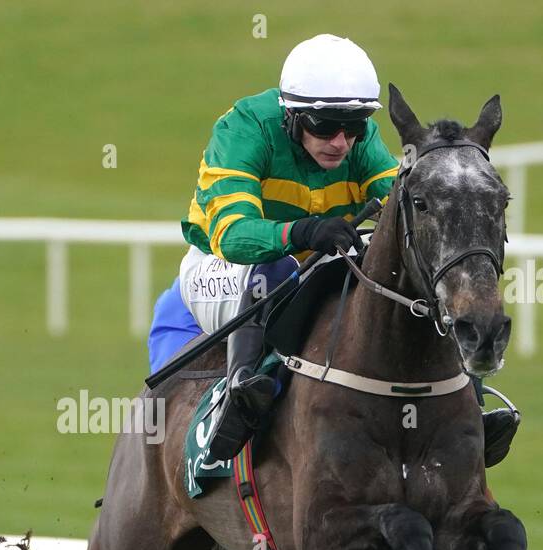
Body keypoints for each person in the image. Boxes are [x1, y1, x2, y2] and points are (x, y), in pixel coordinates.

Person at [148, 34, 516, 463]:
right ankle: (241, 395)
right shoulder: (245, 129)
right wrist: (302, 233)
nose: (341, 142)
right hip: (225, 266)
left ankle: (468, 400)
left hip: (317, 260)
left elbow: (405, 205)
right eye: (324, 127)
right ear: (291, 115)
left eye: (354, 126)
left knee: (407, 274)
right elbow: (232, 235)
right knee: (277, 270)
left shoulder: (358, 140)